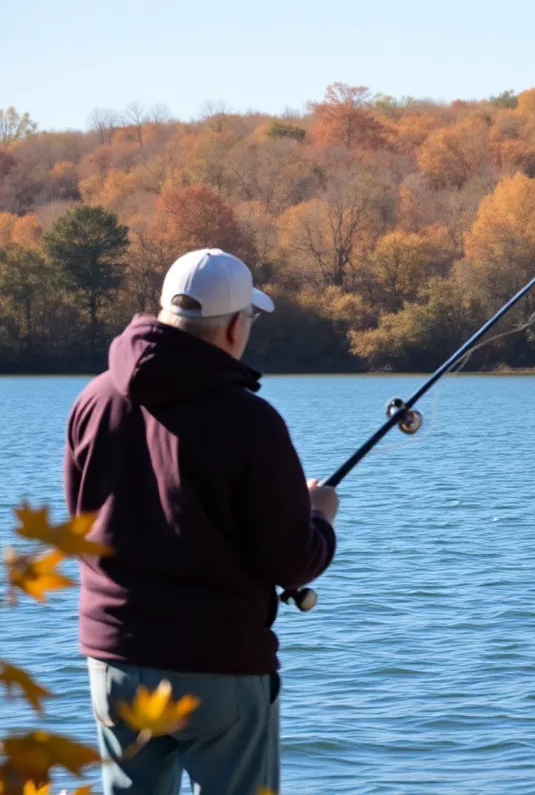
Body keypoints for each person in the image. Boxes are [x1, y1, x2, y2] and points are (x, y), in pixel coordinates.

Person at [64, 248, 339, 794]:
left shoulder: (93, 399)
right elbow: (292, 562)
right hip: (218, 664)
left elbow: (81, 525)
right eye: (250, 318)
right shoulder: (249, 420)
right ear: (236, 326)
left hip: (114, 658)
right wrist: (319, 516)